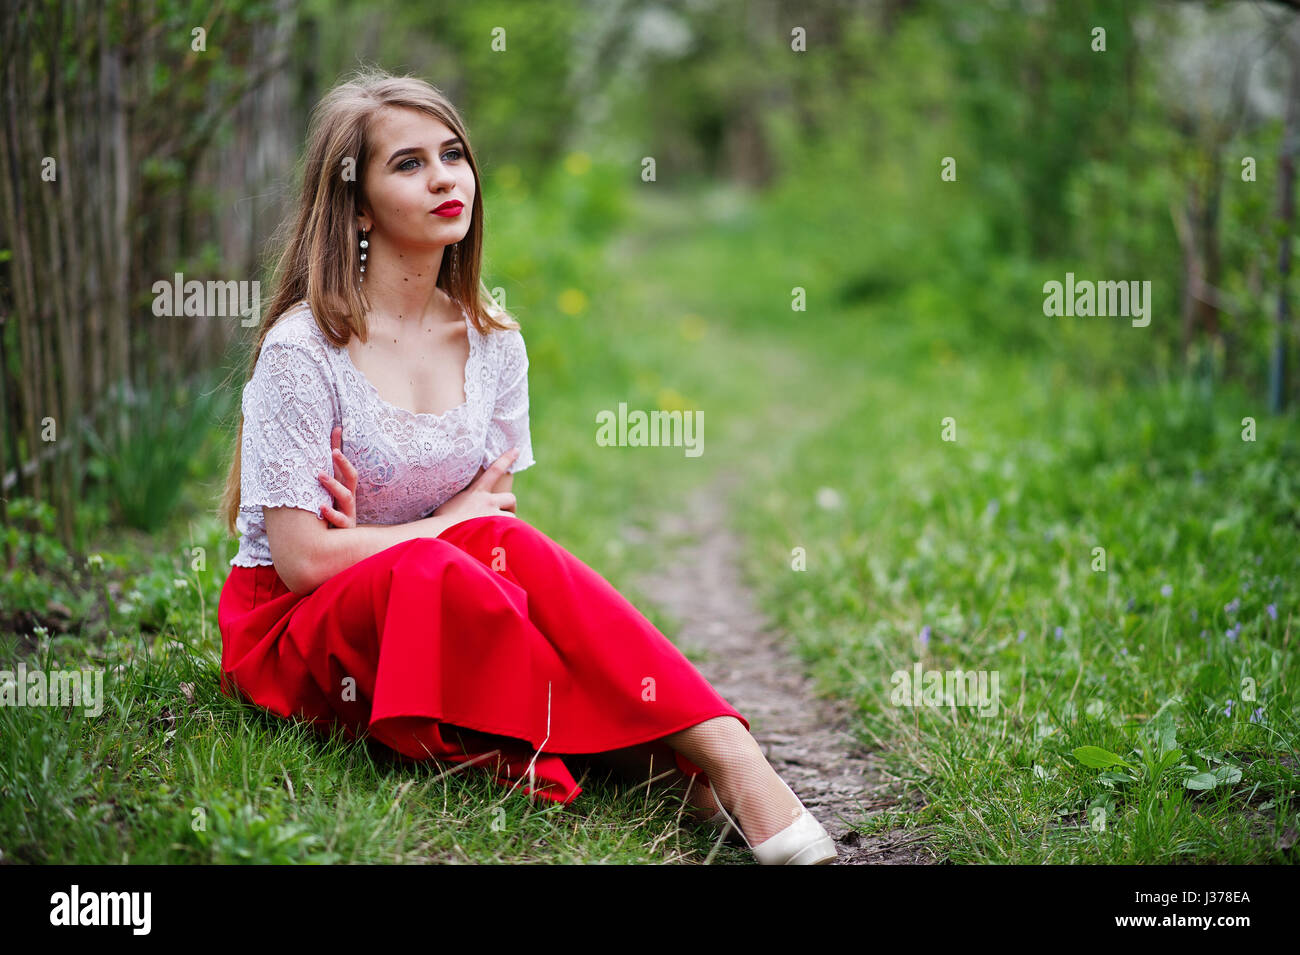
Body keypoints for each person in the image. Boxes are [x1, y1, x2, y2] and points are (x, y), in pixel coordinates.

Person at [215, 68, 836, 865]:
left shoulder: (493, 341)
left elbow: (491, 542)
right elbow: (303, 562)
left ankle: (701, 757)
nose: (445, 178)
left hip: (430, 596)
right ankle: (702, 753)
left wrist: (422, 533)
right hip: (299, 627)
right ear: (358, 204)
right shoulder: (304, 350)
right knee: (451, 556)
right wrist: (442, 524)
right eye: (408, 163)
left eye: (453, 155)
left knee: (475, 562)